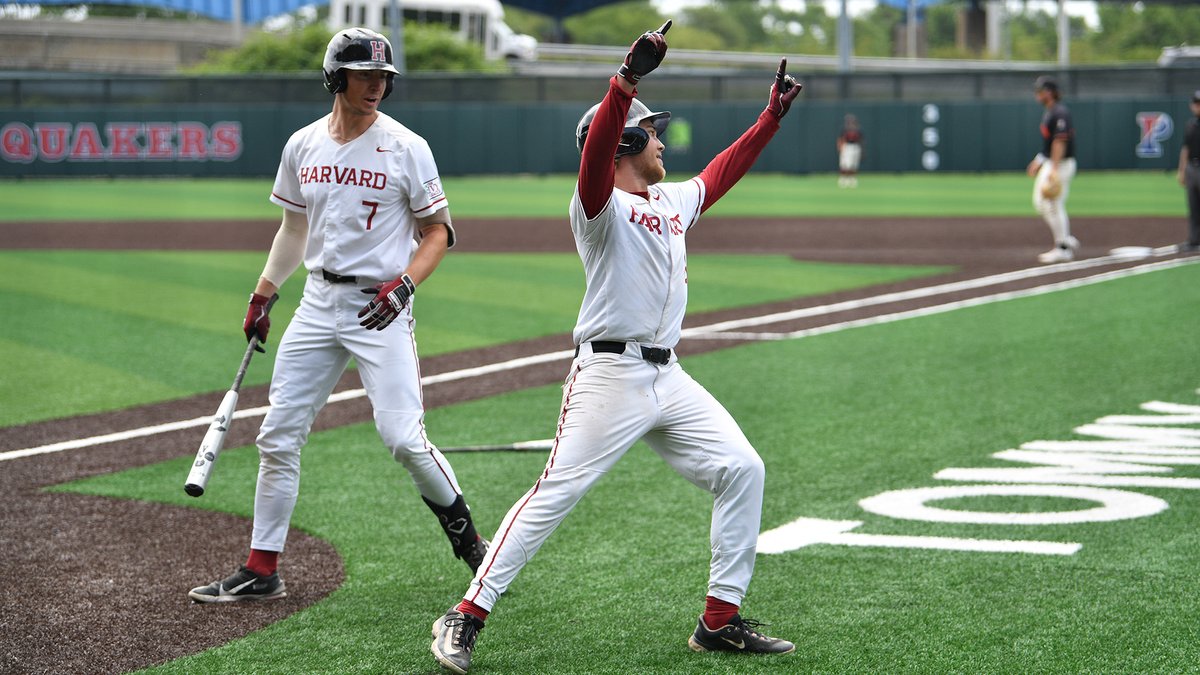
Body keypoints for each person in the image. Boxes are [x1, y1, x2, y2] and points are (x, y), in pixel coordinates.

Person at [429, 21, 800, 674]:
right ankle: (466, 613)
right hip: (608, 375)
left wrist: (770, 117)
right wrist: (627, 82)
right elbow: (597, 152)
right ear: (628, 139)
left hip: (669, 377)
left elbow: (724, 169)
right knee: (556, 490)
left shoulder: (670, 201)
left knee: (743, 468)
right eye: (652, 131)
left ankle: (719, 619)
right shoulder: (598, 207)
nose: (662, 139)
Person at [188, 27, 487, 603]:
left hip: (381, 309)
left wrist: (405, 284)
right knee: (277, 436)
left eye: (383, 78)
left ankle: (470, 539)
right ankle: (262, 567)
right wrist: (263, 292)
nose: (376, 85)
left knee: (403, 438)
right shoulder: (303, 145)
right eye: (365, 75)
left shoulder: (407, 146)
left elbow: (439, 231)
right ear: (336, 78)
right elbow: (294, 228)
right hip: (318, 305)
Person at [1026, 75, 1079, 263]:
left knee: (1053, 204)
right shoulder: (1051, 112)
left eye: (1039, 91)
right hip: (1053, 162)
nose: (1037, 94)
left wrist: (1054, 169)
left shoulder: (1060, 112)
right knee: (1041, 203)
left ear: (1049, 92)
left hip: (1061, 163)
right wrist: (1039, 160)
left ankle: (1063, 248)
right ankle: (1065, 238)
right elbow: (1049, 145)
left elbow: (1060, 142)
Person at [1177, 90, 1200, 254]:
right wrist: (1182, 170)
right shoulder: (1190, 124)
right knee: (1193, 206)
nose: (1197, 106)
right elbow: (1185, 149)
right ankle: (1193, 240)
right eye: (1196, 103)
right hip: (1192, 167)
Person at [837, 113, 863, 188]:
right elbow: (840, 139)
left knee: (854, 164)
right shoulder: (844, 129)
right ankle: (843, 179)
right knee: (845, 164)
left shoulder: (858, 129)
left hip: (855, 146)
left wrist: (861, 150)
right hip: (847, 146)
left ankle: (852, 179)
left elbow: (861, 140)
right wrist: (840, 147)